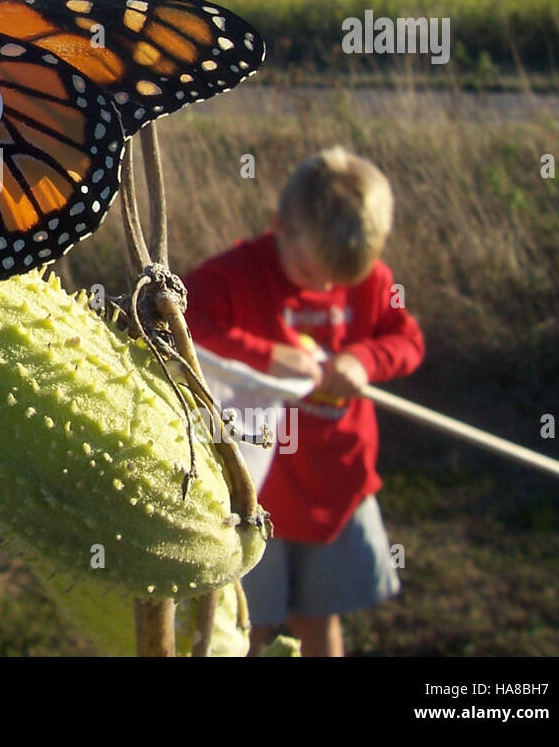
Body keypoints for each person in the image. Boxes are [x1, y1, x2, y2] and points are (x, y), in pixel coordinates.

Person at [182, 146, 424, 656]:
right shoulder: (235, 275)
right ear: (279, 227)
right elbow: (181, 322)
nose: (330, 286)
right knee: (248, 627)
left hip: (335, 481)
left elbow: (407, 341)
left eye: (345, 278)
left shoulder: (375, 283)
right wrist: (266, 355)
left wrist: (364, 359)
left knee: (318, 619)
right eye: (315, 273)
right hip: (256, 489)